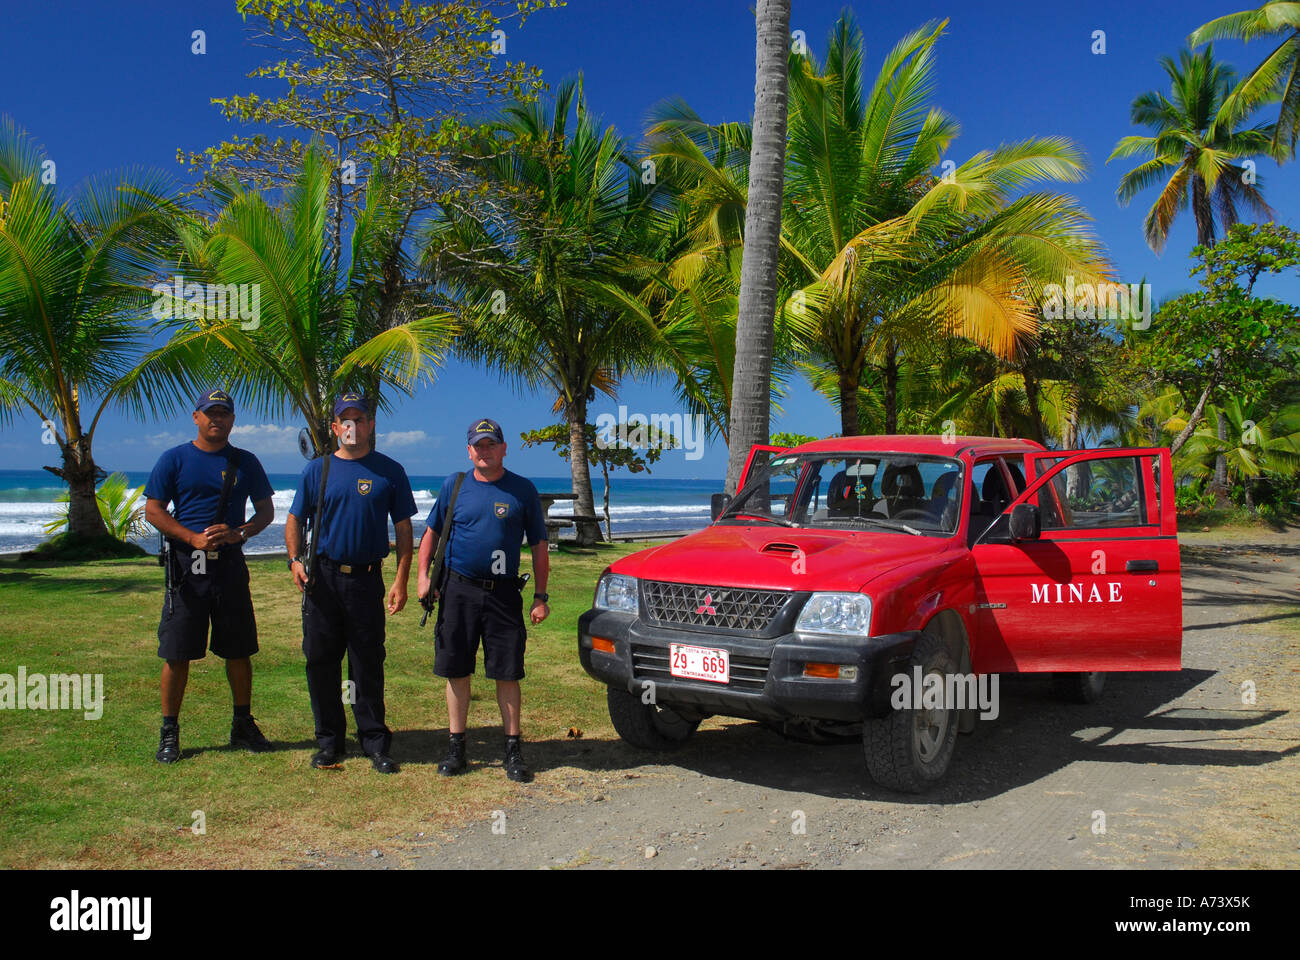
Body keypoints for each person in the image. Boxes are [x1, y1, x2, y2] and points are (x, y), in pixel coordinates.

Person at [285, 393, 417, 774]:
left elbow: (404, 528)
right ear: (334, 428)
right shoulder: (318, 470)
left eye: (359, 420)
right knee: (321, 661)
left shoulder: (389, 471)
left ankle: (374, 740)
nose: (352, 427)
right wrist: (295, 561)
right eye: (345, 420)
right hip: (322, 579)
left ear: (370, 426)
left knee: (367, 663)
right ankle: (329, 742)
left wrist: (401, 579)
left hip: (366, 580)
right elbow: (295, 519)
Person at [143, 389, 276, 764]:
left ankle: (242, 724)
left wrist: (240, 533)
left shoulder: (245, 461)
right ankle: (170, 731)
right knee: (177, 651)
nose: (217, 419)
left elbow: (265, 511)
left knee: (239, 648)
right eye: (210, 413)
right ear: (196, 417)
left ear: (232, 420)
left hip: (229, 563)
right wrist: (191, 538)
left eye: (224, 414)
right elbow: (153, 510)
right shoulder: (175, 459)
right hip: (188, 567)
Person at [418, 417, 550, 783]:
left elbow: (539, 546)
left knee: (507, 673)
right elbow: (430, 534)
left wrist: (540, 597)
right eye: (479, 445)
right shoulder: (454, 485)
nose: (485, 451)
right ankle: (456, 746)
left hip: (504, 594)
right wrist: (424, 576)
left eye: (492, 444)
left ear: (504, 449)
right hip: (458, 591)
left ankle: (512, 749)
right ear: (469, 450)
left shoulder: (522, 490)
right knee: (456, 670)